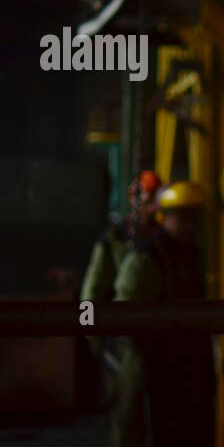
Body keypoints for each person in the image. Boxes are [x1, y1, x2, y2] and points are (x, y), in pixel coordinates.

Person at [112, 179, 224, 447]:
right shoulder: (145, 258)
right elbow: (125, 312)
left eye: (193, 217)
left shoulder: (190, 254)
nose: (189, 224)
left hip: (188, 367)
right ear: (165, 217)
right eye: (181, 217)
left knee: (194, 445)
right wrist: (148, 355)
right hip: (153, 369)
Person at [81, 170, 162, 398]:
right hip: (125, 346)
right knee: (127, 415)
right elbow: (92, 293)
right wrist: (98, 345)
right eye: (149, 201)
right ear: (134, 199)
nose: (154, 208)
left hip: (159, 341)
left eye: (157, 202)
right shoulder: (114, 240)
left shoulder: (162, 241)